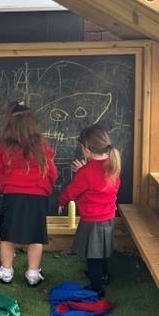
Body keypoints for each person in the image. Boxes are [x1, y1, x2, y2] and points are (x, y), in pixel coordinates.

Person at [0, 101, 58, 287]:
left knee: (7, 236)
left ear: (9, 124)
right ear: (32, 124)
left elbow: (0, 172)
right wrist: (45, 188)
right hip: (37, 197)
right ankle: (33, 274)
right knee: (36, 237)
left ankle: (6, 271)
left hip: (12, 196)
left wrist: (6, 186)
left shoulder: (5, 147)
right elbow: (52, 172)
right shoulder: (43, 146)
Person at [58, 125, 121, 297]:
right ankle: (104, 276)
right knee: (103, 251)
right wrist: (83, 170)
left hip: (92, 221)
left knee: (93, 256)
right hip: (108, 218)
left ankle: (96, 287)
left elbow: (72, 190)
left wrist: (61, 201)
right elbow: (100, 182)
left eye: (82, 147)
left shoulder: (86, 172)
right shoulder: (113, 164)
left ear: (87, 149)